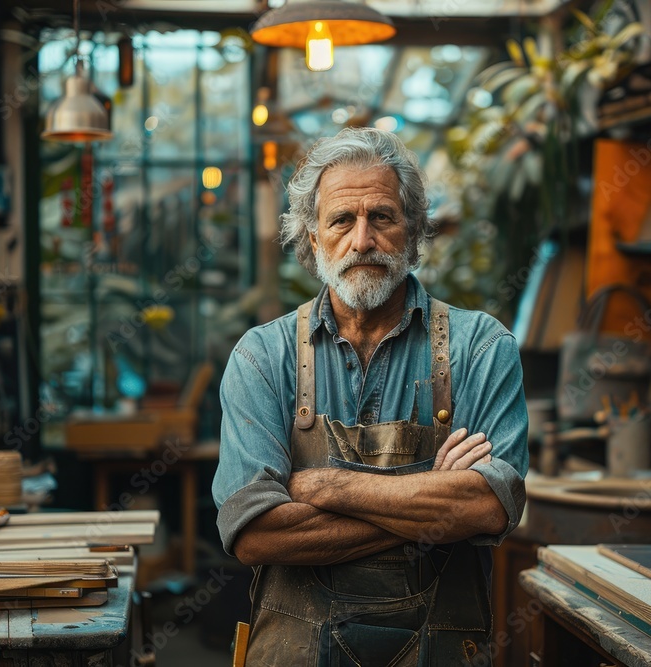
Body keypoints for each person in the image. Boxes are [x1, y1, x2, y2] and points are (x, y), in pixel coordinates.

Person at [212, 126, 528, 666]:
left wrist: (324, 485)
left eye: (381, 217)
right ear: (313, 239)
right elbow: (254, 534)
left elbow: (489, 506)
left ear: (414, 232)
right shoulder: (262, 358)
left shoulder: (481, 347)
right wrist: (432, 499)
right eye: (341, 220)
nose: (362, 241)